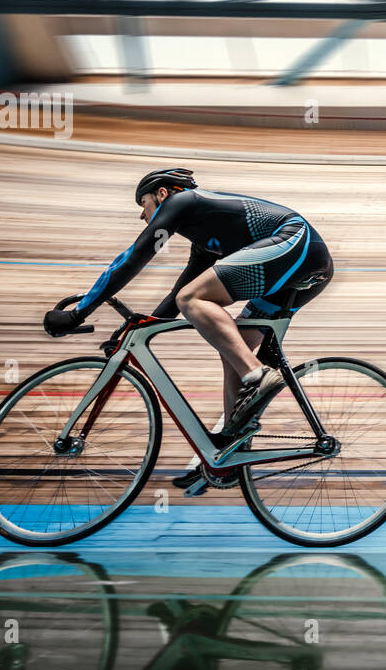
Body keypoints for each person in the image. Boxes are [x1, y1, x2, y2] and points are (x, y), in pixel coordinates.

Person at [43, 168, 333, 490]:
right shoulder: (206, 237)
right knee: (233, 346)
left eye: (143, 204)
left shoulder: (182, 202)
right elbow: (174, 295)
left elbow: (133, 258)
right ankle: (229, 452)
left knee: (193, 301)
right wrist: (135, 329)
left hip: (294, 244)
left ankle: (258, 376)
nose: (143, 215)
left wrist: (80, 313)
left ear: (162, 194)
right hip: (306, 263)